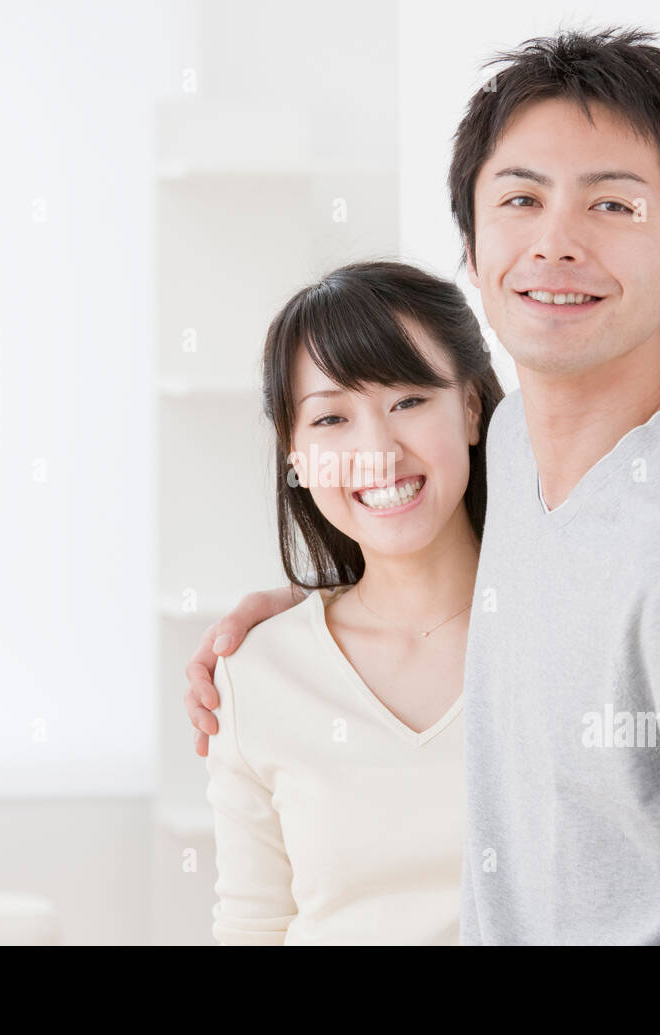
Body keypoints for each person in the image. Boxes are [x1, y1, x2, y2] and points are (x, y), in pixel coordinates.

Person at [186, 26, 660, 945]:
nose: (555, 243)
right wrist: (308, 610)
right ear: (471, 247)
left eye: (613, 205)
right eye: (521, 198)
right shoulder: (516, 440)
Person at [203, 260, 504, 944]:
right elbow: (253, 927)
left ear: (470, 408)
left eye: (408, 401)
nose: (376, 451)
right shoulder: (255, 673)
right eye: (332, 417)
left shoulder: (570, 630)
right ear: (296, 455)